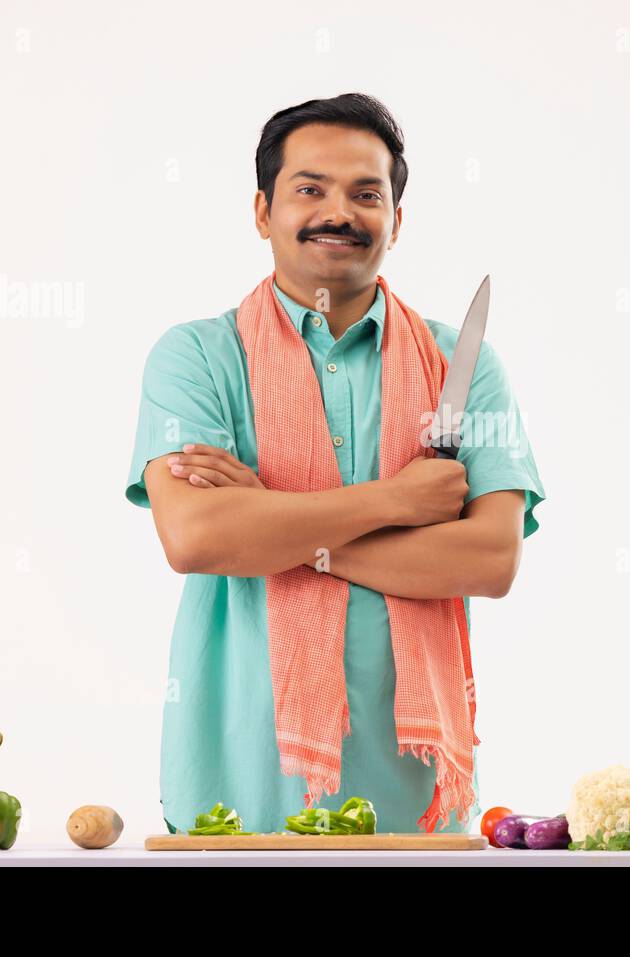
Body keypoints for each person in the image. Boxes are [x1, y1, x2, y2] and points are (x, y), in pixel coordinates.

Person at [124, 93, 546, 835]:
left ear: (396, 221)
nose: (339, 212)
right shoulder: (193, 358)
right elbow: (196, 539)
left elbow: (489, 558)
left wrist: (270, 521)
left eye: (366, 194)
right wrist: (397, 501)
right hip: (238, 779)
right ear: (263, 213)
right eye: (309, 189)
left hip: (416, 798)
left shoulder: (463, 366)